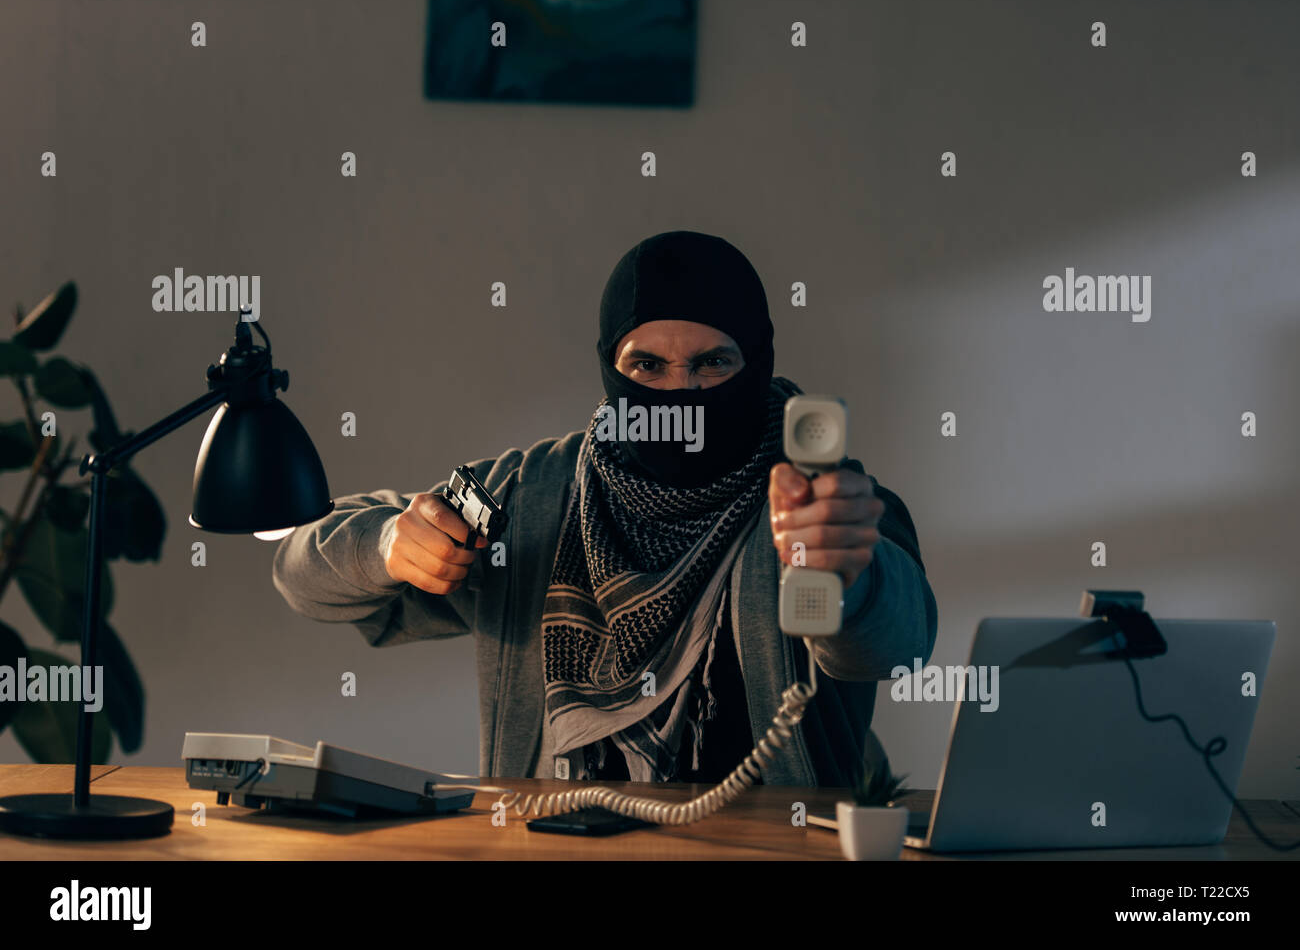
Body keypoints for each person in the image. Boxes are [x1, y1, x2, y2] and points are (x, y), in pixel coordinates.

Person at [272, 230, 938, 787]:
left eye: (713, 362)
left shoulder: (824, 502)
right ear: (610, 369)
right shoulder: (532, 494)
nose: (683, 392)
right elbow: (303, 569)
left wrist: (850, 573)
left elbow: (898, 645)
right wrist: (391, 543)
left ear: (757, 363)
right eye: (646, 365)